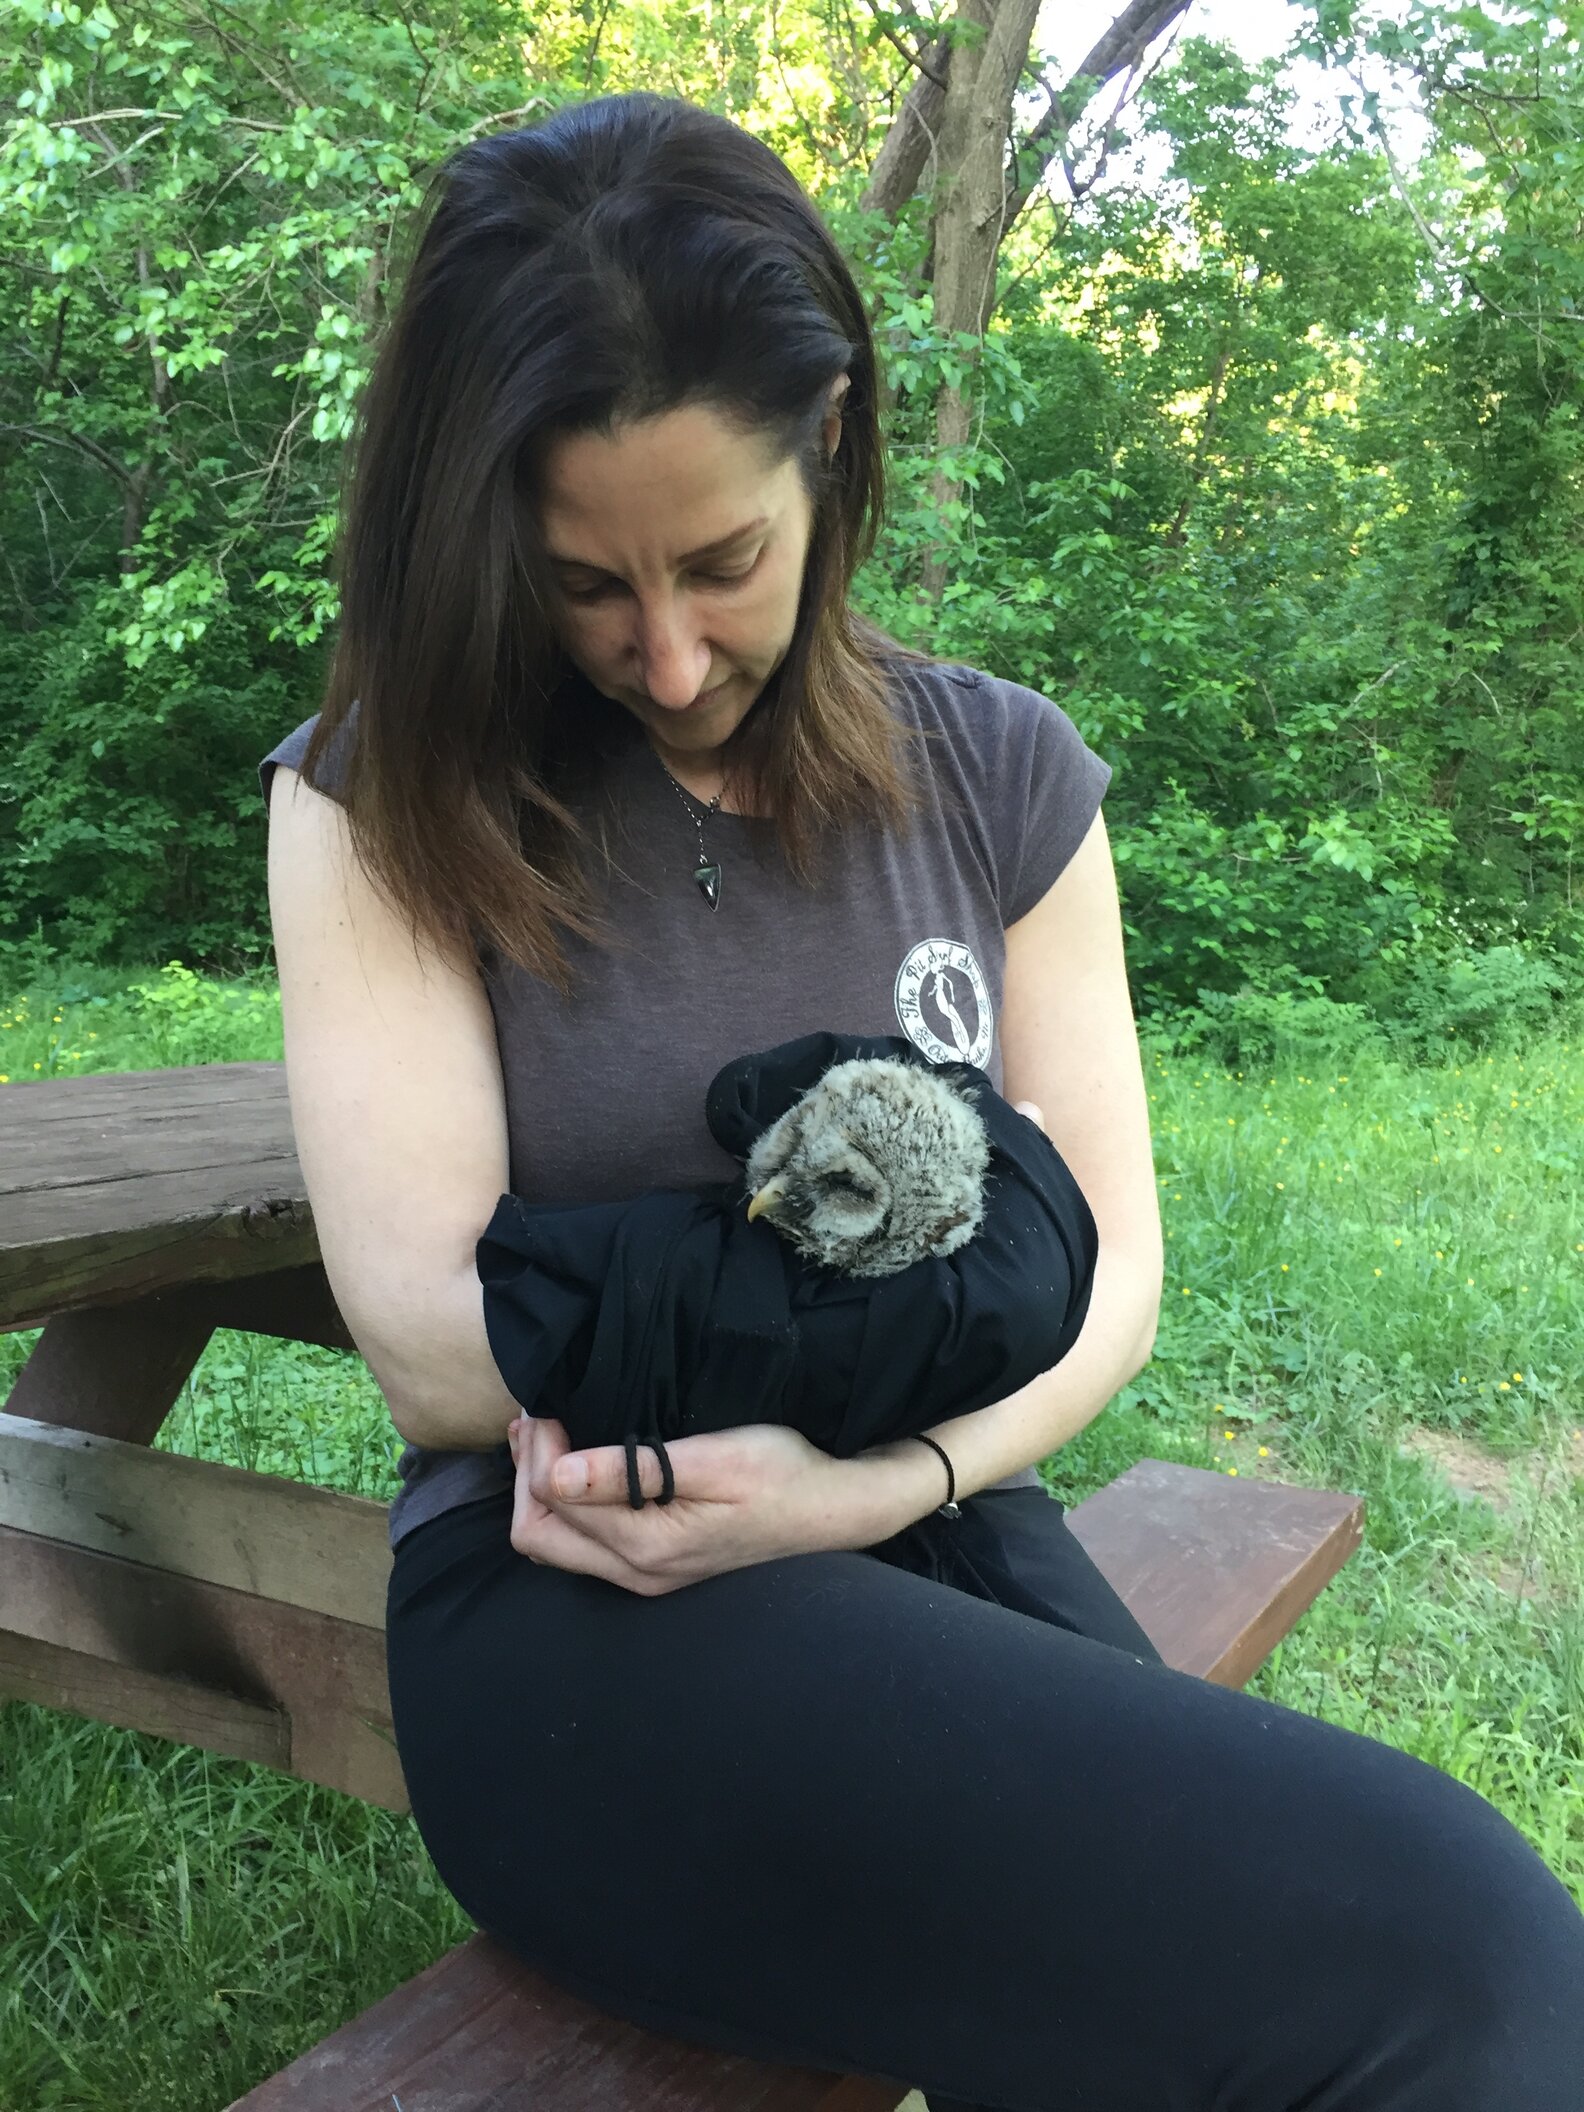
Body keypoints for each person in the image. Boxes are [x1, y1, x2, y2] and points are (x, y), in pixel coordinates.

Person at [260, 90, 1584, 2112]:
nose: (669, 659)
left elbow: (1111, 1278)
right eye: (586, 584)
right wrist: (960, 1279)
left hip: (934, 1527)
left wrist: (880, 1476)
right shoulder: (386, 794)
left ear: (834, 442)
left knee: (1444, 1977)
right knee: (1457, 1953)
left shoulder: (1001, 776)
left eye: (722, 562)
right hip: (574, 1605)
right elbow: (440, 1346)